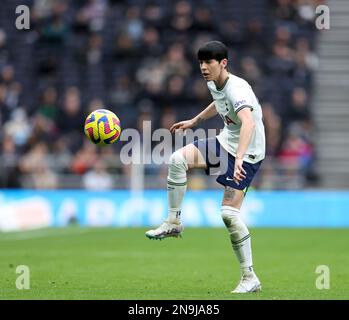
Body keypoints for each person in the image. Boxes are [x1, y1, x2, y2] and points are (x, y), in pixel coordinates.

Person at [145, 41, 265, 294]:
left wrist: (240, 158)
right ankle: (173, 221)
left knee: (229, 216)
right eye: (200, 62)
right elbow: (219, 103)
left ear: (223, 63)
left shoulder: (238, 88)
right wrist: (195, 120)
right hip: (225, 143)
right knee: (177, 160)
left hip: (248, 153)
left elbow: (248, 123)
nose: (203, 67)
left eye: (209, 62)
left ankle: (249, 277)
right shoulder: (214, 83)